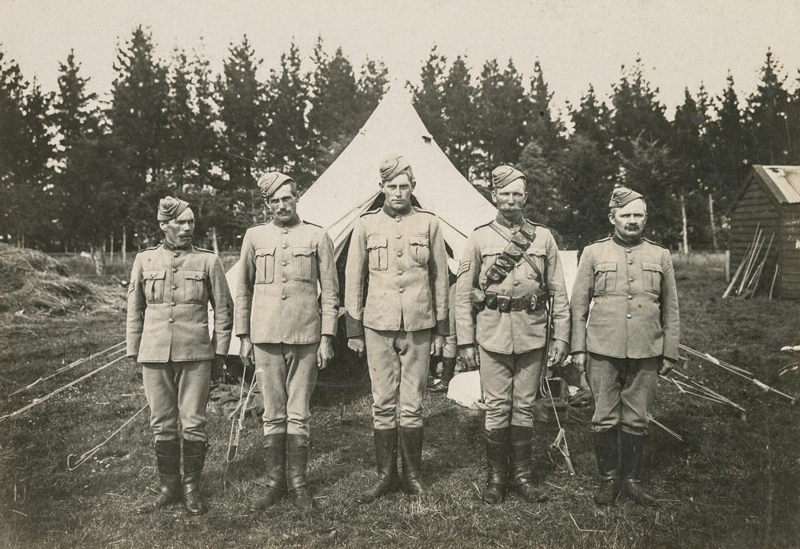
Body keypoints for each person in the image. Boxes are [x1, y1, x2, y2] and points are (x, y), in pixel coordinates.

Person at [455, 165, 570, 505]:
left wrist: (561, 337)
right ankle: (496, 478)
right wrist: (464, 341)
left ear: (526, 197)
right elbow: (463, 294)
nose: (510, 200)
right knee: (496, 407)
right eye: (504, 194)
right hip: (492, 335)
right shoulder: (478, 237)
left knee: (524, 407)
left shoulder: (543, 237)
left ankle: (522, 477)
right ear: (494, 196)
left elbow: (559, 292)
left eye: (516, 194)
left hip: (533, 334)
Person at [345, 153, 449, 503]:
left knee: (414, 403)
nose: (398, 192)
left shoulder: (430, 224)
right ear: (382, 188)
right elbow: (354, 280)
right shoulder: (366, 224)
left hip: (419, 324)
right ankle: (385, 476)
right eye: (392, 186)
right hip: (378, 325)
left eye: (405, 186)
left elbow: (440, 279)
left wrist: (441, 329)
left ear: (413, 188)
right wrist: (355, 330)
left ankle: (413, 476)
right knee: (382, 401)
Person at [570, 186, 680, 506]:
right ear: (612, 217)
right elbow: (578, 306)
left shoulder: (660, 255)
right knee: (603, 415)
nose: (632, 221)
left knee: (637, 417)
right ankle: (608, 481)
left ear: (645, 218)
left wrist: (669, 349)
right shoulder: (593, 253)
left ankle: (631, 480)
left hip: (647, 348)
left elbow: (671, 307)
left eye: (638, 215)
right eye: (626, 215)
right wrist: (578, 348)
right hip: (603, 347)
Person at [236, 172, 339, 512]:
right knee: (272, 412)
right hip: (265, 335)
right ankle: (274, 483)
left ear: (297, 198)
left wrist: (326, 337)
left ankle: (299, 484)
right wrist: (244, 337)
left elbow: (331, 293)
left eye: (288, 198)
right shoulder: (254, 237)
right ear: (267, 204)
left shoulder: (317, 235)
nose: (282, 205)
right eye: (275, 200)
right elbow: (243, 291)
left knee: (299, 413)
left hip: (305, 336)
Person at [126, 196, 233, 516]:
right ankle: (168, 487)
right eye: (181, 222)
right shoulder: (144, 261)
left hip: (196, 354)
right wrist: (134, 349)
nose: (188, 228)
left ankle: (191, 489)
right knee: (161, 422)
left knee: (194, 423)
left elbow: (224, 310)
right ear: (164, 225)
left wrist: (220, 352)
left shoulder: (208, 261)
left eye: (191, 222)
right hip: (155, 352)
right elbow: (135, 308)